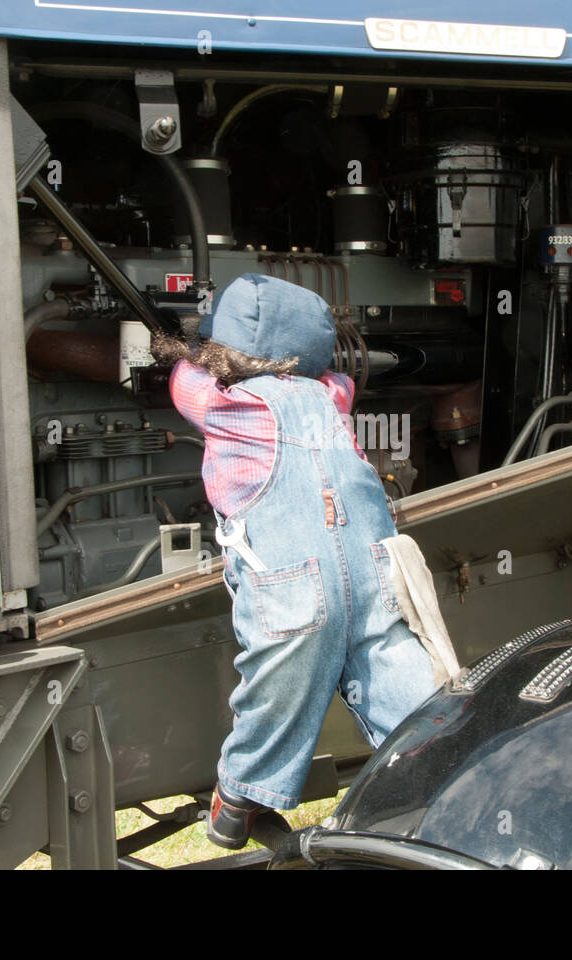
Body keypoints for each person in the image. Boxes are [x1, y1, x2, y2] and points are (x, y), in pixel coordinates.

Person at [153, 272, 437, 849]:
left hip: (292, 581)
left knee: (280, 682)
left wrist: (184, 351)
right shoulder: (332, 395)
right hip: (372, 574)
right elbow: (331, 375)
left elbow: (184, 381)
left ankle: (237, 799)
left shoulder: (222, 399)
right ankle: (433, 777)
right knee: (398, 674)